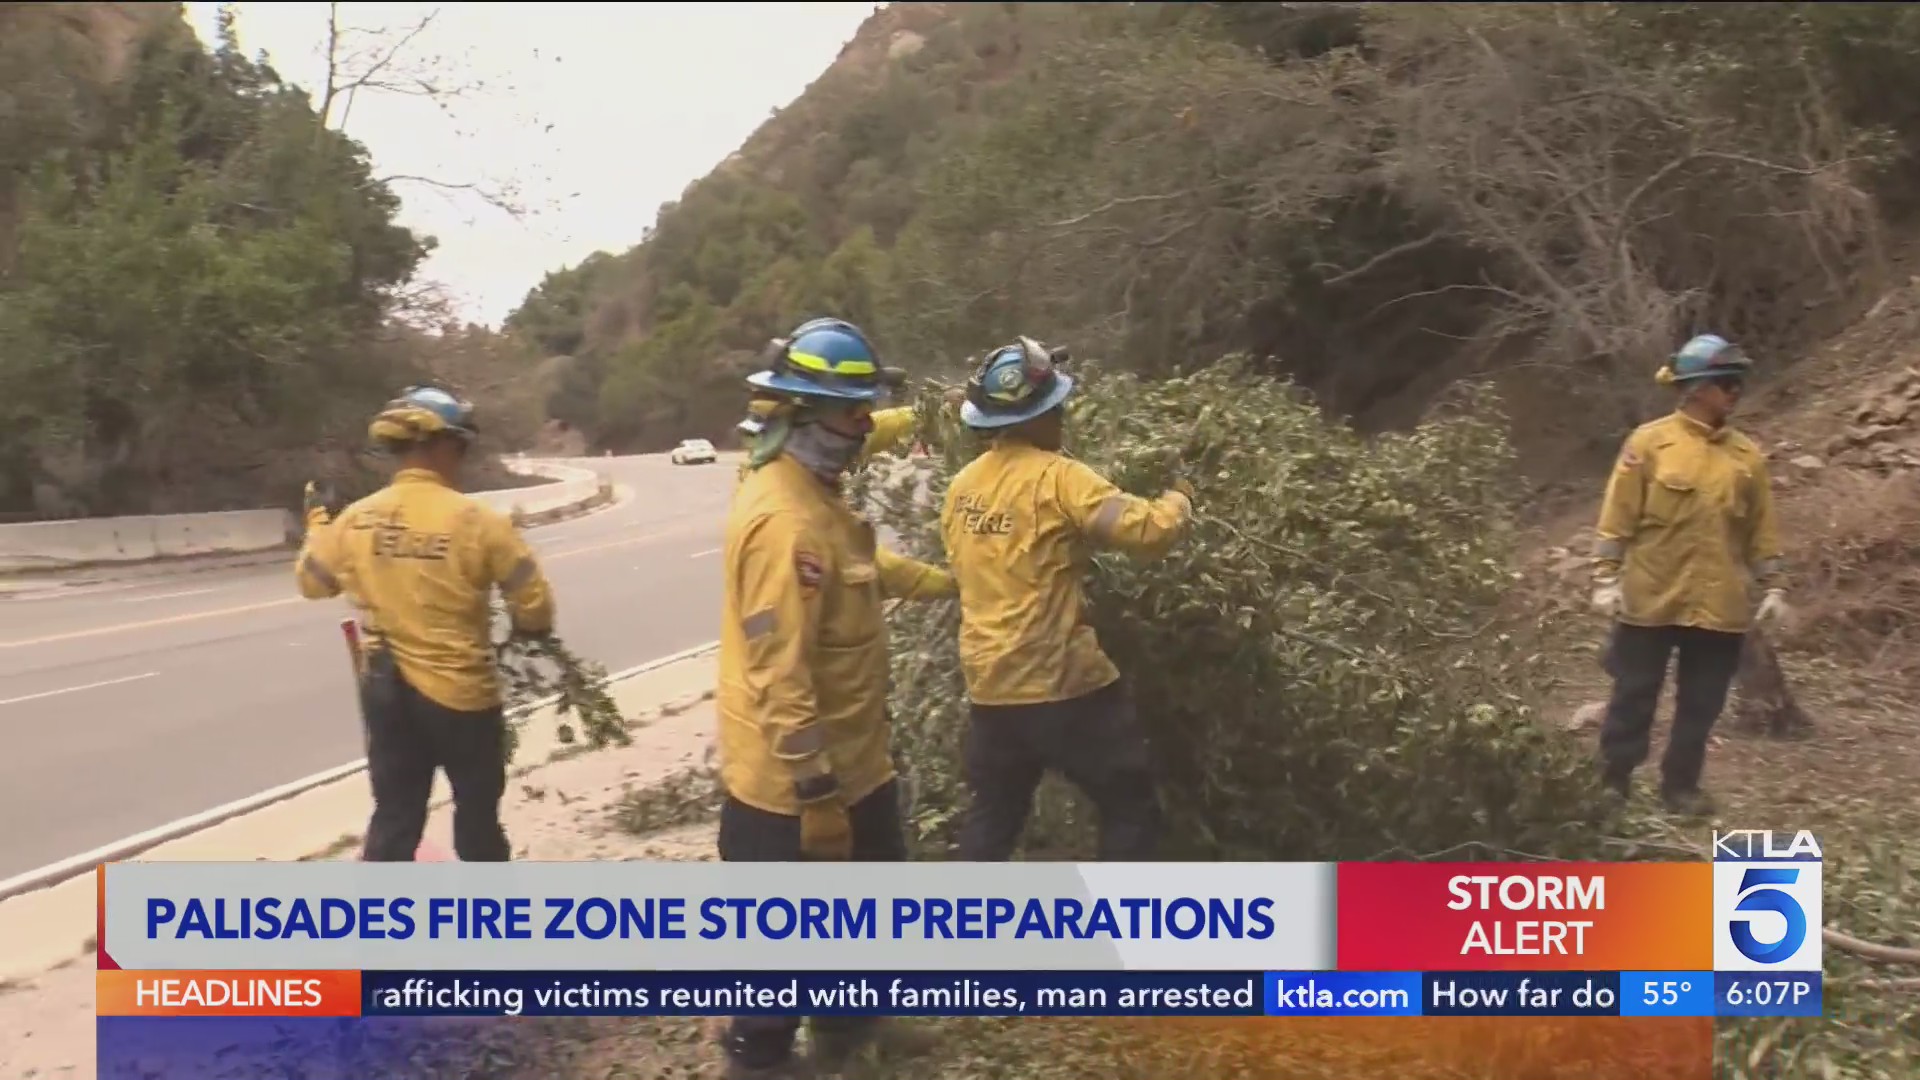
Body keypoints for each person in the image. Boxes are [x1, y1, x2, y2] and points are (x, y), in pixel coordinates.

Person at [716, 323, 946, 1078]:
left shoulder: (813, 487)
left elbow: (857, 559)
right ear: (807, 415)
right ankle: (760, 1057)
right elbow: (777, 672)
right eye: (854, 416)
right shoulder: (782, 523)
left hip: (858, 759)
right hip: (793, 783)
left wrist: (938, 406)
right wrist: (815, 793)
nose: (864, 429)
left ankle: (850, 1029)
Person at [940, 337, 1193, 862]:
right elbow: (1146, 532)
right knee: (1131, 805)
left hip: (990, 689)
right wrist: (1180, 499)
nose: (1062, 417)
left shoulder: (961, 487)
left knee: (993, 820)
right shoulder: (1060, 478)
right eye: (1056, 407)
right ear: (1036, 416)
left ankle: (951, 935)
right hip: (1061, 685)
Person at [295, 385, 557, 861]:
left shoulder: (356, 519)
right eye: (460, 446)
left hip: (385, 692)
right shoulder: (477, 520)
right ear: (442, 445)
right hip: (462, 696)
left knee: (395, 814)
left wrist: (318, 523)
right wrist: (529, 630)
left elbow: (313, 582)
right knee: (476, 813)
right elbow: (534, 602)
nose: (461, 456)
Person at [1590, 333, 1788, 815]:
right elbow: (1618, 517)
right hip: (1650, 598)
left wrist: (1774, 585)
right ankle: (1612, 782)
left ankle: (1680, 788)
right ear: (1697, 388)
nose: (1735, 391)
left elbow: (1761, 531)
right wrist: (1604, 577)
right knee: (1633, 694)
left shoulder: (1747, 458)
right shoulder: (1649, 444)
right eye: (1726, 382)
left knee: (1701, 705)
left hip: (1719, 604)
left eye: (1738, 382)